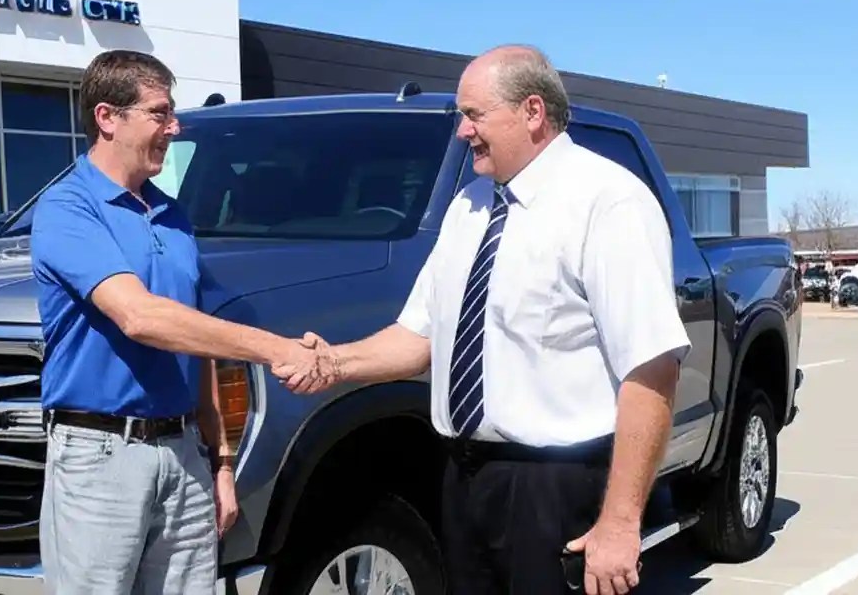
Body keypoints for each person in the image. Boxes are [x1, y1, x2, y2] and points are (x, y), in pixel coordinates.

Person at [281, 44, 691, 595]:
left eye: (473, 115)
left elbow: (651, 369)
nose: (462, 131)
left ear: (532, 112)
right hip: (464, 479)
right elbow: (418, 336)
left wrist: (620, 523)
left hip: (559, 489)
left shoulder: (608, 203)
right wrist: (334, 362)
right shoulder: (468, 207)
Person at [29, 49, 326, 594]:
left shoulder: (172, 214)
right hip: (101, 458)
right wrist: (276, 349)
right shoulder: (68, 209)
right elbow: (140, 317)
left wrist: (220, 462)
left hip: (184, 453)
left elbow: (194, 338)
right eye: (160, 113)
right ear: (107, 118)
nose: (175, 126)